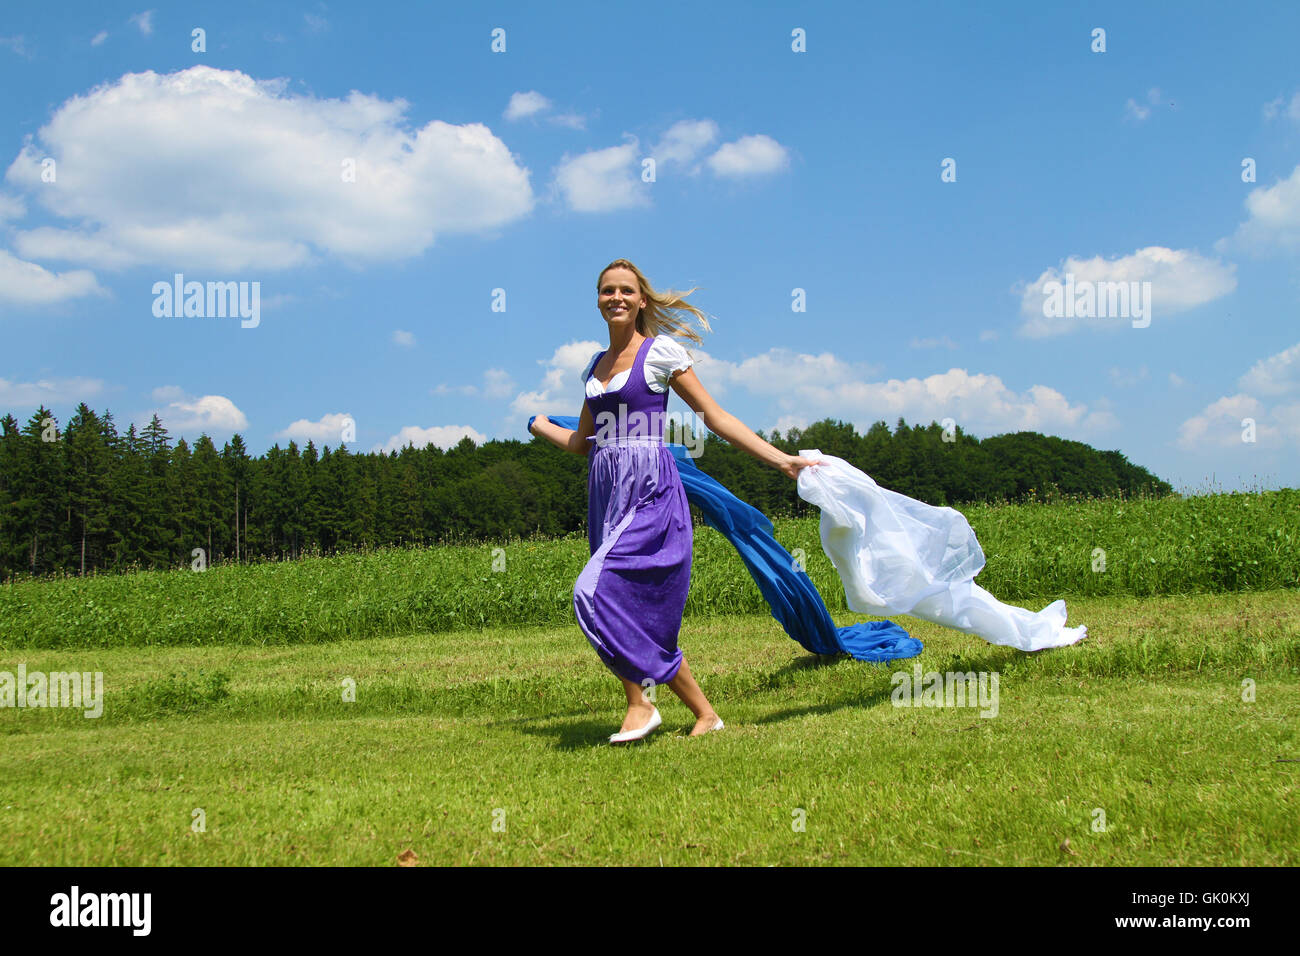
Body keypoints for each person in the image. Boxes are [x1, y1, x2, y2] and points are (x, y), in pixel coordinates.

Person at [530, 259, 824, 744]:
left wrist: (781, 461)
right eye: (608, 291)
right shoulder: (594, 367)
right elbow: (584, 442)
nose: (617, 298)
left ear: (641, 299)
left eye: (626, 290)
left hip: (650, 488)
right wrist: (543, 427)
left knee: (592, 592)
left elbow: (715, 416)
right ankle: (704, 714)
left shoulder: (660, 353)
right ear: (598, 300)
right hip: (605, 491)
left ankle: (639, 704)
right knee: (627, 606)